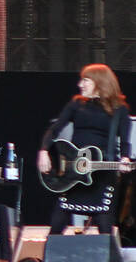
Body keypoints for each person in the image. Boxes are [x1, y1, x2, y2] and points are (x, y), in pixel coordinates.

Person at [36, 64, 133, 234]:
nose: (80, 84)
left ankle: (105, 260)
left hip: (102, 175)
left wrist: (125, 159)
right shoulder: (76, 104)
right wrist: (44, 151)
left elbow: (125, 142)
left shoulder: (120, 110)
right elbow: (55, 129)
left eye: (86, 80)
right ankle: (50, 260)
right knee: (57, 223)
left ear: (99, 82)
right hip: (74, 173)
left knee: (104, 226)